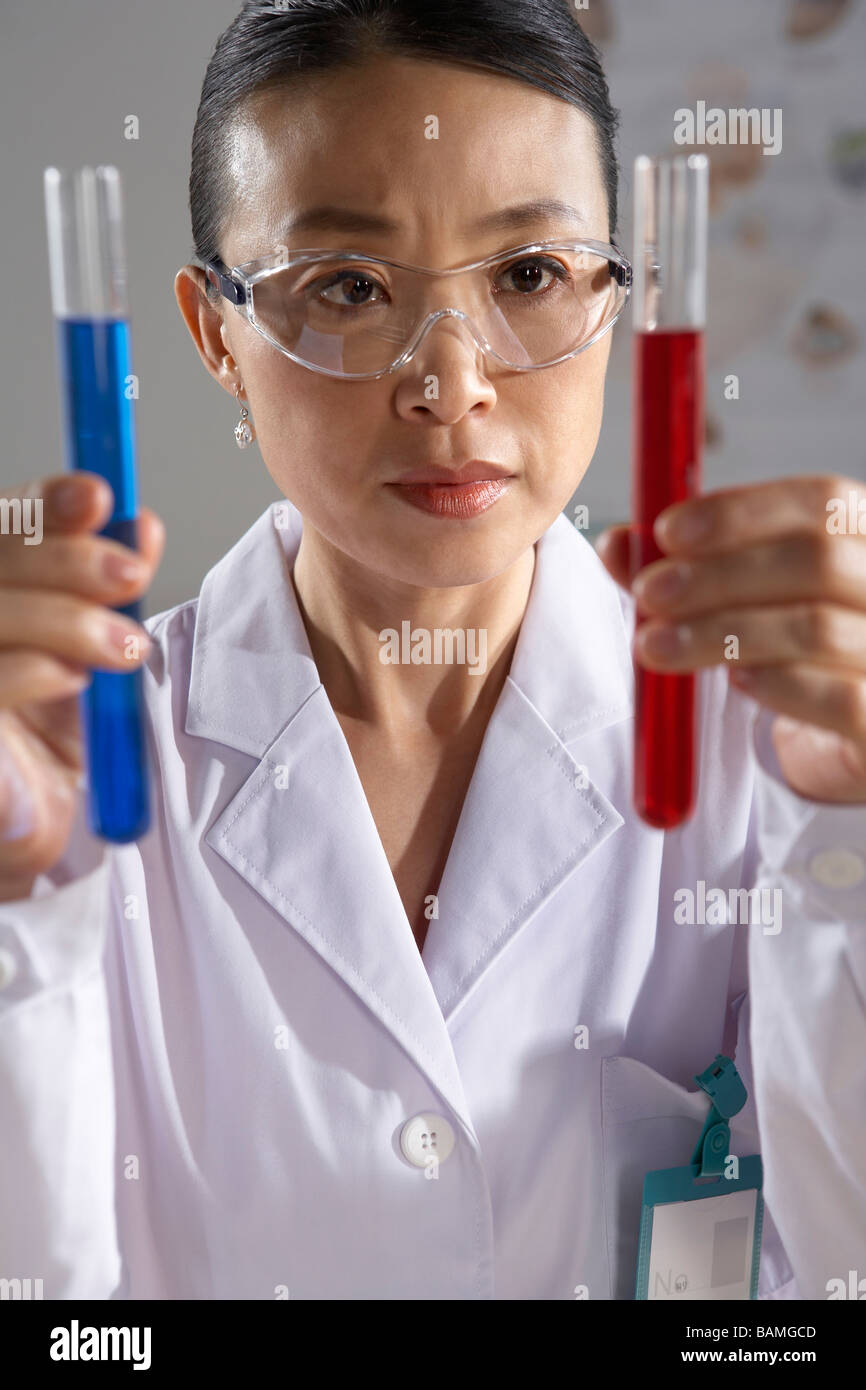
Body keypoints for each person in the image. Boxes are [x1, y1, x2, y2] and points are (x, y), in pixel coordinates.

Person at [1, 0, 864, 1301]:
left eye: (525, 275)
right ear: (214, 334)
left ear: (618, 293)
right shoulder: (78, 770)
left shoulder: (785, 749)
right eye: (348, 287)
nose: (450, 381)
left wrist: (844, 839)